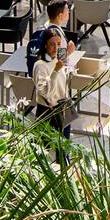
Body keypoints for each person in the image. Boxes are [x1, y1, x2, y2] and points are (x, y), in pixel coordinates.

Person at [31, 29, 74, 162]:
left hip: (64, 106)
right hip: (48, 111)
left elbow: (64, 78)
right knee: (42, 151)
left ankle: (64, 177)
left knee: (64, 150)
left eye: (59, 44)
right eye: (52, 44)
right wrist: (56, 70)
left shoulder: (59, 57)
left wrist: (68, 53)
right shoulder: (40, 65)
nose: (56, 48)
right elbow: (44, 92)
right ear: (45, 45)